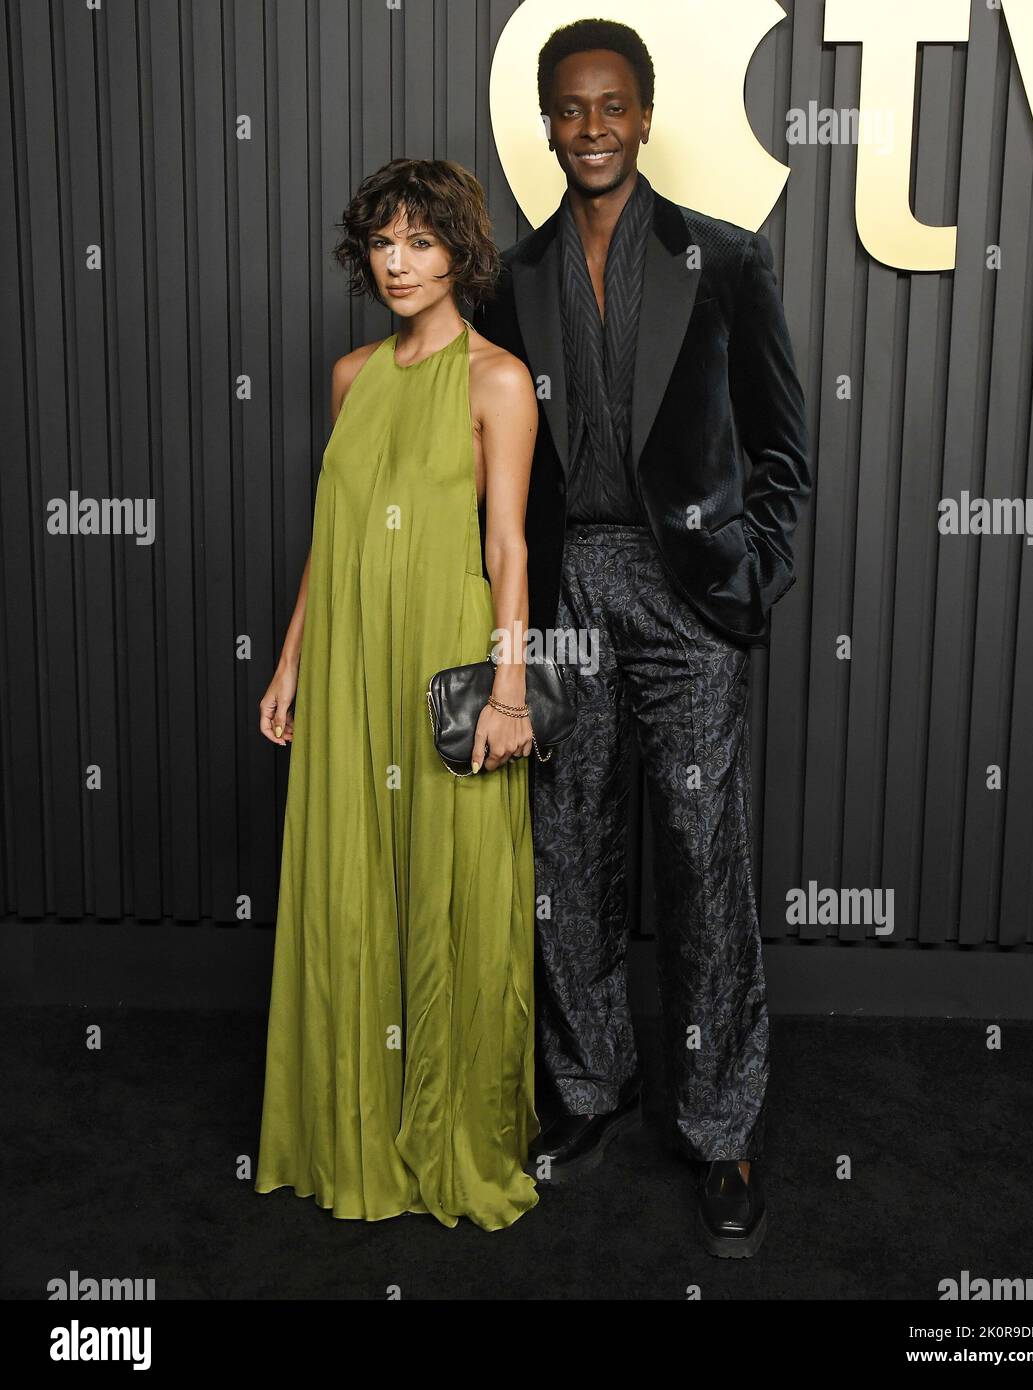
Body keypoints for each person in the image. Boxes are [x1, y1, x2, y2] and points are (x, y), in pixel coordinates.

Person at [473, 18, 811, 1257]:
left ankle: (718, 1126)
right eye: (570, 108)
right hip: (567, 591)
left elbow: (780, 450)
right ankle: (589, 1087)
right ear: (549, 124)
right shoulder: (509, 282)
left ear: (647, 115)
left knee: (700, 858)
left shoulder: (725, 261)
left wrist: (743, 583)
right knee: (567, 850)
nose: (591, 127)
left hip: (683, 597)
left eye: (612, 105)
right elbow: (497, 477)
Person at [254, 158, 541, 1231]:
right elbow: (331, 538)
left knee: (446, 884)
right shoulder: (349, 375)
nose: (398, 262)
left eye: (421, 242)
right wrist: (292, 659)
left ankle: (447, 1131)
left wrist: (509, 690)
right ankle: (355, 1128)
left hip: (441, 656)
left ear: (459, 252)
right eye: (383, 242)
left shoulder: (496, 380)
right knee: (351, 879)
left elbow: (508, 547)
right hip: (348, 662)